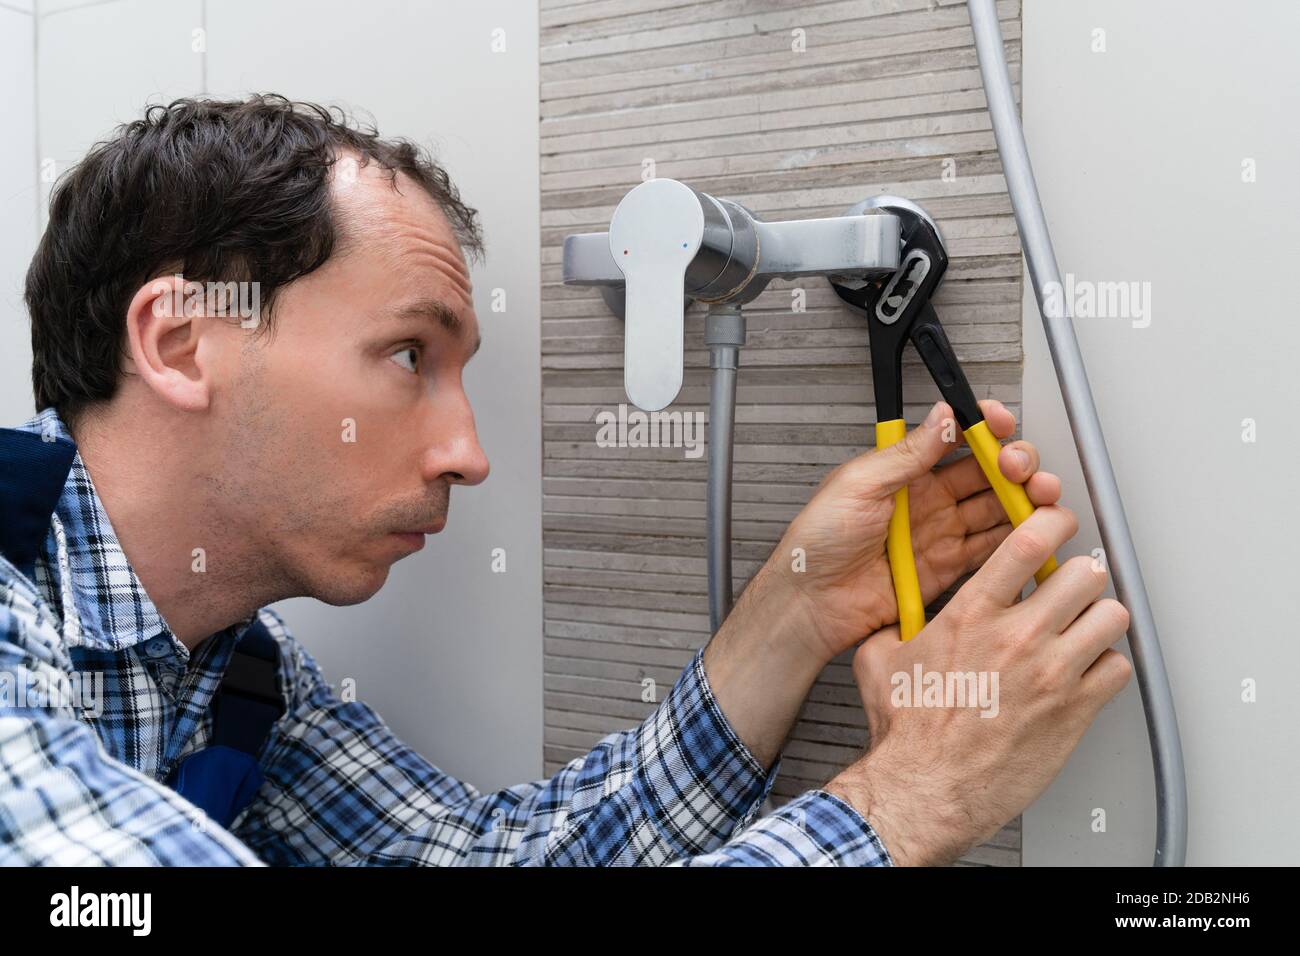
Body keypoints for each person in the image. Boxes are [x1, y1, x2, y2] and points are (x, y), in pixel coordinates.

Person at [0, 95, 1131, 866]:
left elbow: (491, 858)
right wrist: (906, 802)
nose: (468, 453)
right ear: (184, 341)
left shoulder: (235, 673)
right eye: (408, 356)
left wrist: (794, 606)